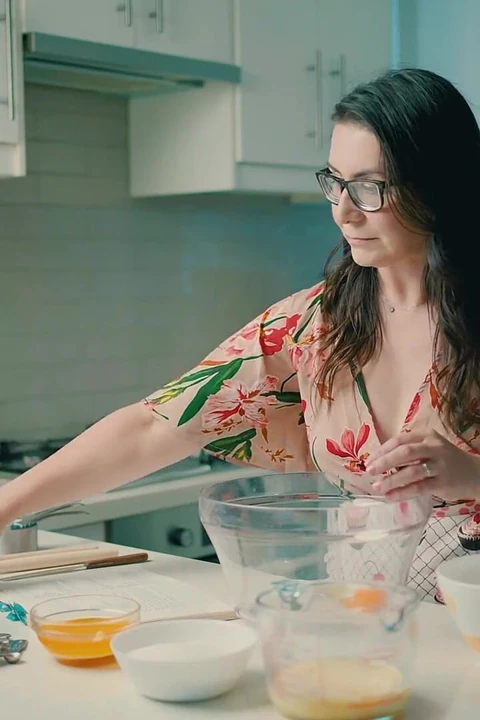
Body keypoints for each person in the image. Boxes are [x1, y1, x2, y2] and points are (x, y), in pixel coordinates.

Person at [1, 67, 480, 601]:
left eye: (369, 187)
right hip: (363, 617)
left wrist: (472, 475)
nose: (343, 212)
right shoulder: (315, 325)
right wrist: (5, 505)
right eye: (335, 182)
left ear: (439, 185)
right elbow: (155, 426)